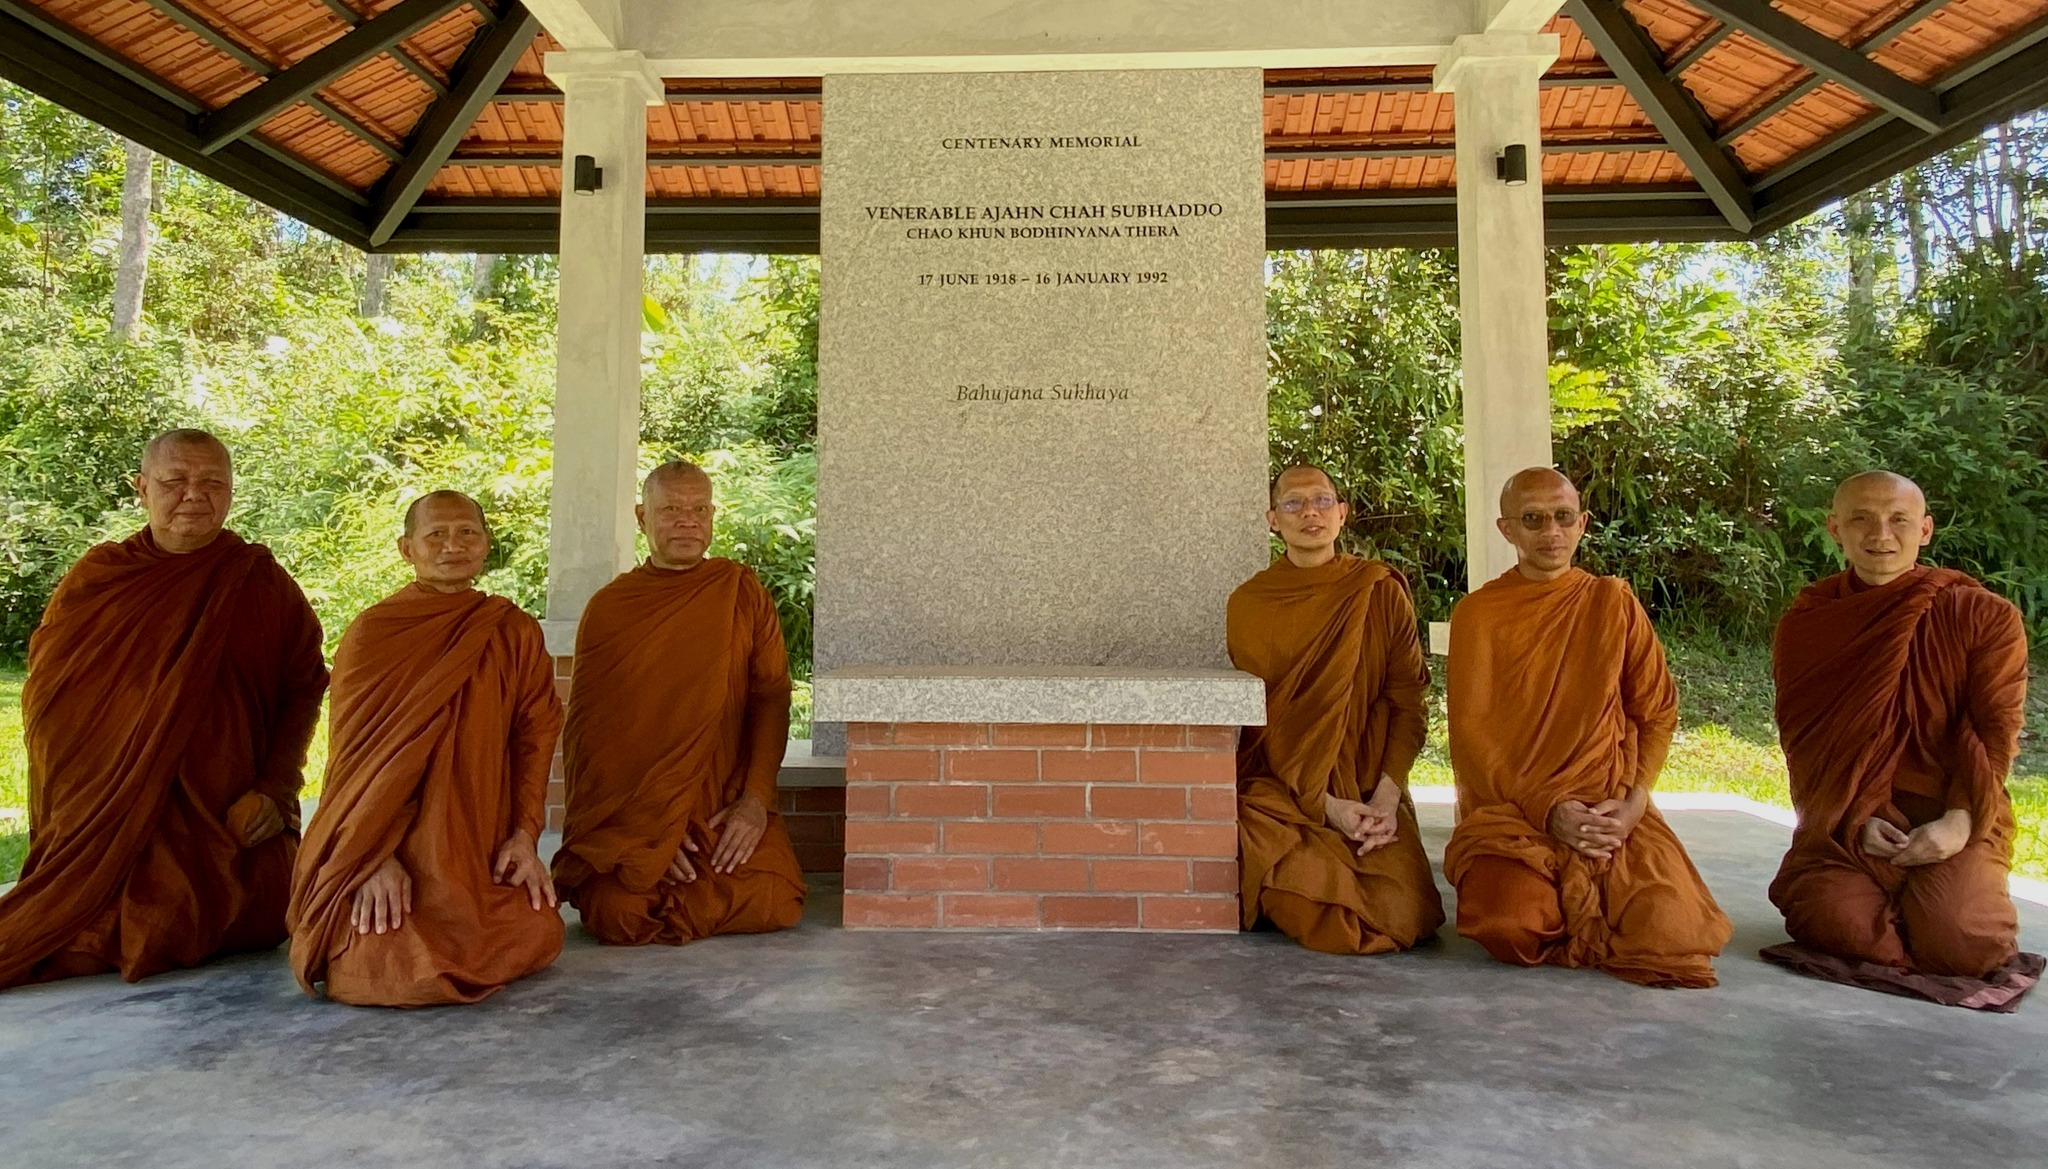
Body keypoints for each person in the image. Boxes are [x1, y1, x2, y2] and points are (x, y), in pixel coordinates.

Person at [0, 429, 325, 988]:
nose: (194, 495)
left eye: (212, 483)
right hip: (104, 811)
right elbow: (53, 703)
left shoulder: (259, 581)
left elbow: (303, 688)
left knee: (243, 910)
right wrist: (104, 786)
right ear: (142, 488)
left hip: (220, 816)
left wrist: (276, 788)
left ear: (231, 492)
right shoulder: (100, 579)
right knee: (91, 925)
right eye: (175, 481)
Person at [1443, 467, 1731, 988]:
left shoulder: (1611, 602)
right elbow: (1472, 739)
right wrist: (1548, 809)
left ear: (1583, 524)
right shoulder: (1479, 614)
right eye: (1533, 520)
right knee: (1511, 926)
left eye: (1563, 517)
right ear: (1507, 529)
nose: (1550, 532)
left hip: (1607, 806)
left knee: (1672, 931)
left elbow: (1656, 712)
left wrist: (1634, 804)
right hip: (1514, 810)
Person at [1764, 470, 2040, 1009]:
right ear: (1835, 529)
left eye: (1898, 520)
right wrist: (1855, 816)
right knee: (1835, 921)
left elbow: (1995, 733)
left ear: (1926, 530)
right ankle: (1901, 912)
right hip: (1848, 818)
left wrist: (1960, 821)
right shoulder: (1811, 621)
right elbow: (1807, 744)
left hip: (1952, 808)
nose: (1881, 535)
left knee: (1964, 945)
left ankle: (1934, 907)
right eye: (1861, 519)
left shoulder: (1982, 616)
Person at [289, 491, 563, 1006]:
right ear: (407, 548)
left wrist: (525, 837)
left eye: (467, 533)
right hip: (397, 847)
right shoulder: (374, 632)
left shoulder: (512, 630)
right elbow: (353, 764)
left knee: (540, 927)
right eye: (436, 535)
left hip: (476, 848)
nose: (452, 546)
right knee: (383, 965)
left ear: (485, 544)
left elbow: (536, 734)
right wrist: (371, 858)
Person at [551, 461, 805, 944]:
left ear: (712, 516)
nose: (687, 521)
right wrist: (647, 832)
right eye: (671, 510)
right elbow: (592, 740)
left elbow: (771, 697)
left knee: (776, 898)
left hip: (721, 804)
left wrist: (754, 802)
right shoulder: (611, 608)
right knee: (617, 914)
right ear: (642, 517)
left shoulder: (741, 592)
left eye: (699, 510)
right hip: (637, 817)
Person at [1231, 466, 1446, 953]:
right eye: (1293, 503)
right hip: (1284, 791)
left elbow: (1409, 701)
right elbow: (1268, 724)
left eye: (1322, 500)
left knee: (1399, 914)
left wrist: (1385, 803)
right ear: (1272, 520)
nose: (1310, 512)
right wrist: (1326, 806)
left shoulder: (1378, 590)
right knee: (1321, 909)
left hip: (1367, 785)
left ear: (1342, 513)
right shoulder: (1249, 604)